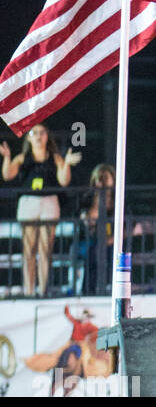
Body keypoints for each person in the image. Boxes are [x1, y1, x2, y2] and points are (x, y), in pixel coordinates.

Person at [1, 124, 81, 297]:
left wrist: (66, 163)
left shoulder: (55, 157)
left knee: (46, 248)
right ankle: (29, 291)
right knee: (29, 249)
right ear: (29, 137)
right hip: (29, 202)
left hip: (49, 202)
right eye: (34, 133)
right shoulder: (23, 158)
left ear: (47, 136)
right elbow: (8, 175)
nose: (38, 136)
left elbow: (64, 180)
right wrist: (7, 158)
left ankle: (43, 289)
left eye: (42, 132)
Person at [79, 163, 115, 295]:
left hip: (112, 240)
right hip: (91, 240)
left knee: (113, 254)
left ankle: (110, 290)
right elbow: (88, 221)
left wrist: (111, 240)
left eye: (106, 177)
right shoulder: (87, 199)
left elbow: (126, 224)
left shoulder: (119, 199)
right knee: (91, 251)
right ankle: (89, 291)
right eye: (99, 177)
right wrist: (100, 198)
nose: (103, 180)